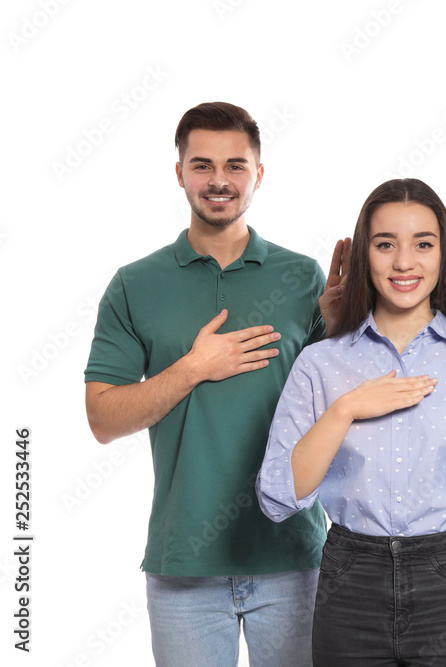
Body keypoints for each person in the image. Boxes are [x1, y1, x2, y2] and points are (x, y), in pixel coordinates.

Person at [256, 178, 446, 666]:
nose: (404, 262)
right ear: (365, 256)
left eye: (423, 244)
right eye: (385, 245)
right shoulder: (320, 364)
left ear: (443, 254)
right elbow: (280, 496)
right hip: (350, 579)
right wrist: (346, 409)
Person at [84, 102, 328, 666]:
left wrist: (345, 322)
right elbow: (101, 419)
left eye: (236, 165)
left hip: (293, 557)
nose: (219, 180)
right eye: (202, 165)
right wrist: (193, 367)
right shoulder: (135, 284)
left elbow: (337, 404)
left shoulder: (303, 277)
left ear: (258, 174)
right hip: (183, 567)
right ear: (179, 173)